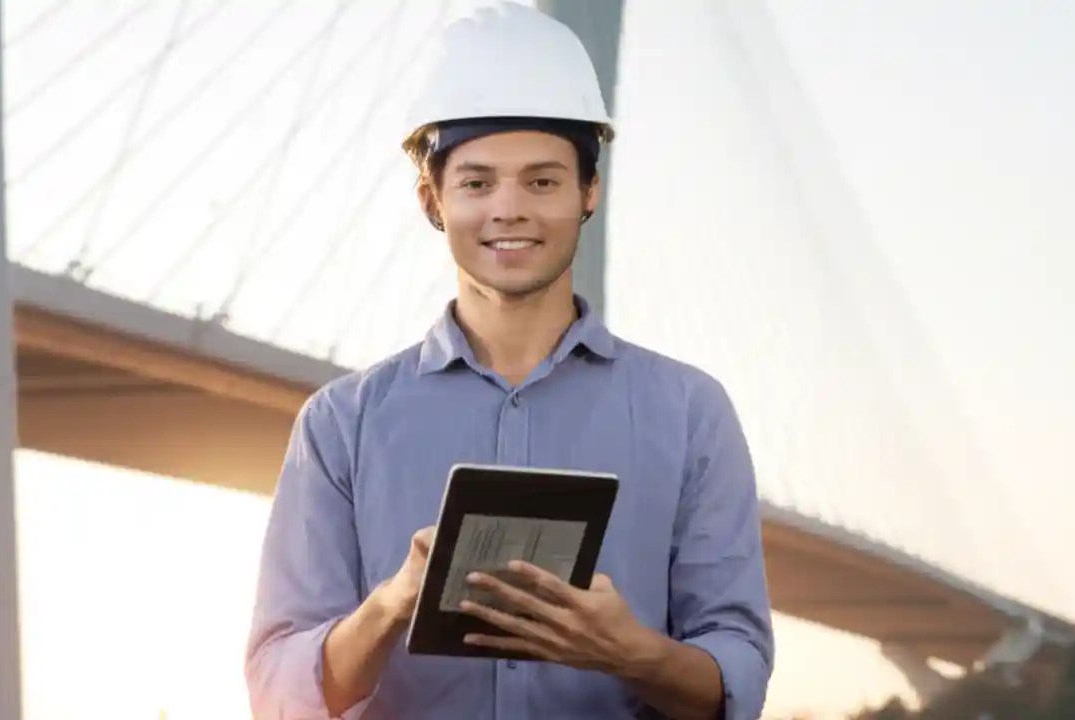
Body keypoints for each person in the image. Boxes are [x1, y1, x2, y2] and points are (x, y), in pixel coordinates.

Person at [245, 3, 774, 718]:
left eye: (543, 181)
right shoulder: (341, 425)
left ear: (590, 191)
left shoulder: (689, 414)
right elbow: (279, 689)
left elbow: (739, 672)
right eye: (476, 183)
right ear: (431, 199)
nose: (509, 209)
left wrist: (632, 653)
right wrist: (392, 604)